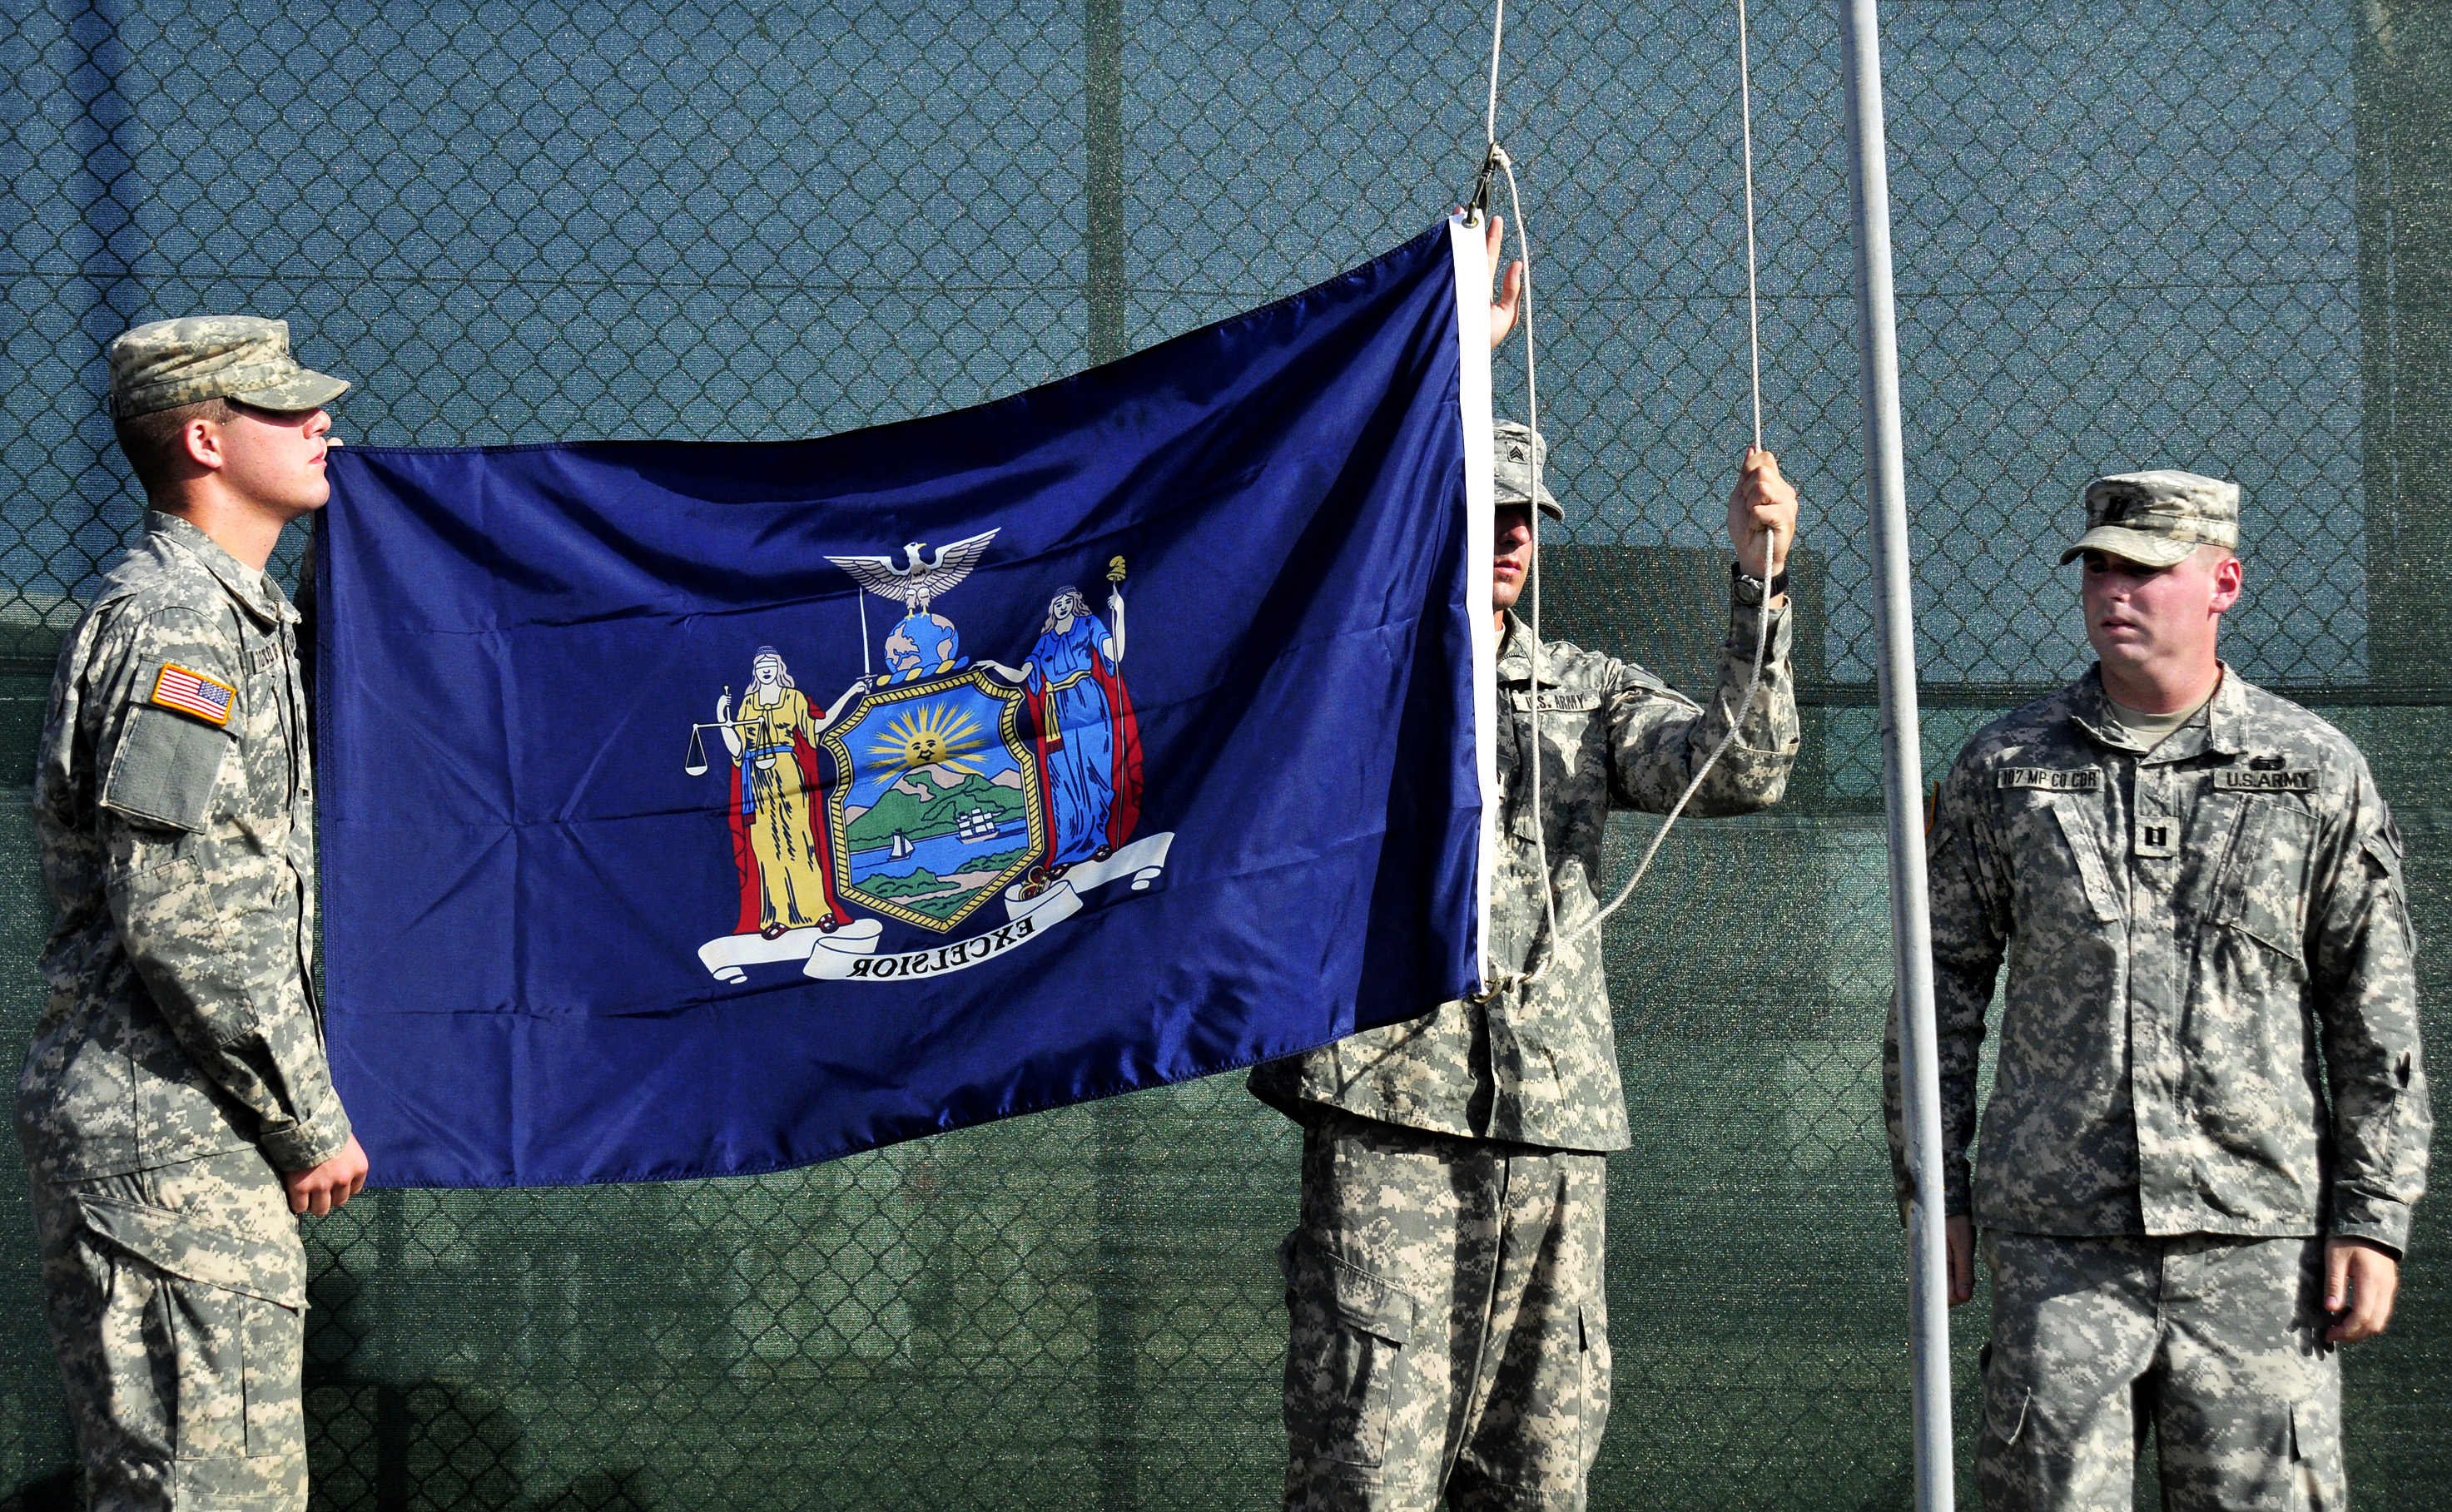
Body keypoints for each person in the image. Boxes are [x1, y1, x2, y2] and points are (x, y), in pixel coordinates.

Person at [1247, 214, 1804, 1512]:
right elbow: (1320, 528)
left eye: (1525, 520)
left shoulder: (1583, 690)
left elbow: (1739, 766)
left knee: (1539, 1464)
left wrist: (1756, 585)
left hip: (1549, 1123)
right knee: (1366, 1457)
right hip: (1389, 1104)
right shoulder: (1349, 669)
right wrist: (1454, 359)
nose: (1507, 539)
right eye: (1480, 513)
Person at [1885, 470, 2431, 1511]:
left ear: (2222, 581)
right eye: (2098, 566)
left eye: (2145, 568)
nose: (2114, 589)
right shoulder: (2008, 767)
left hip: (2258, 1245)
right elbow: (1934, 993)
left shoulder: (2313, 768)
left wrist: (2373, 1214)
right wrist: (1935, 1192)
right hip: (2058, 1246)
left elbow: (2376, 1010)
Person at [23, 316, 372, 1511]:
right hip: (167, 1140)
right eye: (285, 407)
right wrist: (306, 1117)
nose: (322, 420)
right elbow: (181, 906)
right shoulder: (178, 629)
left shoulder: (233, 618)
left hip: (189, 1141)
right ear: (205, 438)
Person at [716, 647, 854, 937]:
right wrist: (723, 719)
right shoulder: (749, 703)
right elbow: (738, 749)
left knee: (800, 841)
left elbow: (819, 726)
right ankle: (777, 916)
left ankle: (819, 911)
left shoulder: (794, 698)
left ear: (779, 667)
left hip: (787, 771)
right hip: (757, 777)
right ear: (755, 672)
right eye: (760, 665)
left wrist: (850, 693)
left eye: (770, 664)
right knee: (766, 847)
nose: (765, 669)